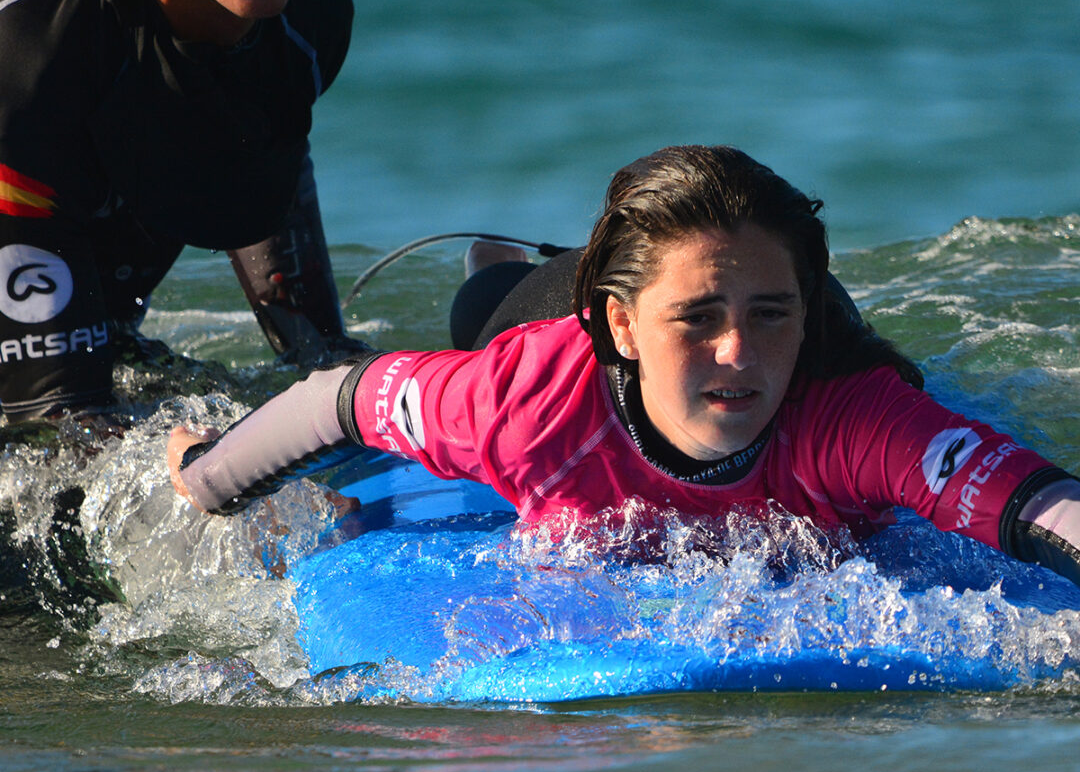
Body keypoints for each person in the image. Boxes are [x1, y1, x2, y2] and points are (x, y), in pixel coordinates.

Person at [168, 144, 1080, 586]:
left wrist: (761, 309)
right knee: (482, 309)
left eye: (770, 319)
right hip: (554, 309)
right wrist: (206, 478)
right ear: (628, 327)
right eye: (698, 322)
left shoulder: (850, 412)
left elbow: (1041, 505)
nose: (738, 354)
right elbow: (340, 401)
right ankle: (495, 260)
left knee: (774, 302)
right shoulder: (517, 400)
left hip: (790, 302)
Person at [0, 0, 366, 426]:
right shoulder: (29, 58)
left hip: (108, 349)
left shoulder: (310, 12)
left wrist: (334, 372)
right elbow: (58, 429)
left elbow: (258, 161)